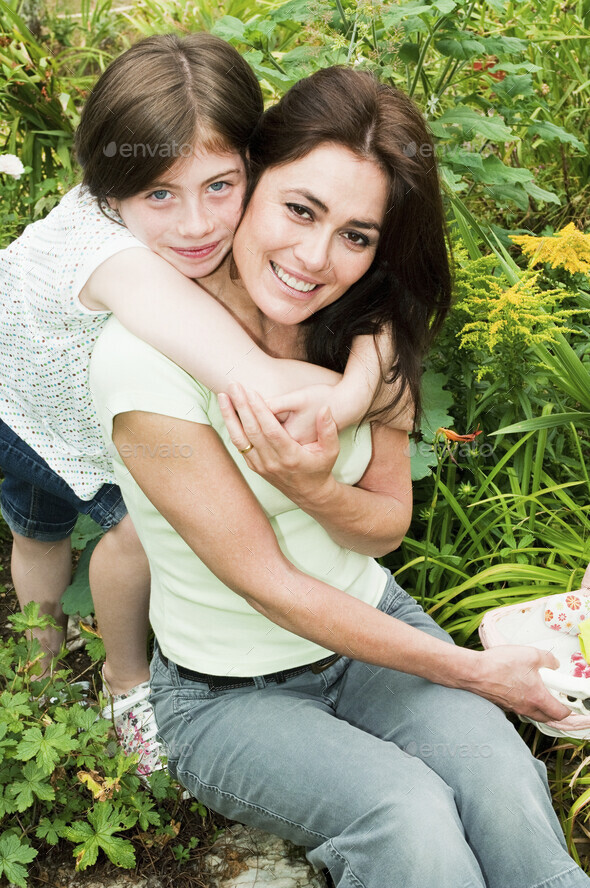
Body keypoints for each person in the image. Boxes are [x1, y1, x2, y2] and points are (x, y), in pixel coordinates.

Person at [90, 66, 589, 887]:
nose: (315, 258)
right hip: (230, 695)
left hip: (373, 635)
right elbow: (269, 587)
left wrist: (316, 485)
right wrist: (471, 671)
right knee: (408, 819)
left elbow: (387, 523)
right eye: (300, 210)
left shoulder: (364, 325)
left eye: (357, 234)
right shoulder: (142, 365)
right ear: (253, 175)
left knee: (500, 781)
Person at [0, 33, 399, 775]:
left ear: (256, 159)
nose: (196, 226)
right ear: (108, 187)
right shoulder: (120, 265)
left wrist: (376, 350)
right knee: (129, 528)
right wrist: (361, 389)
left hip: (31, 366)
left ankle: (40, 671)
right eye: (160, 194)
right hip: (15, 400)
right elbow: (257, 379)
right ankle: (121, 684)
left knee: (36, 531)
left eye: (220, 186)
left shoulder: (141, 195)